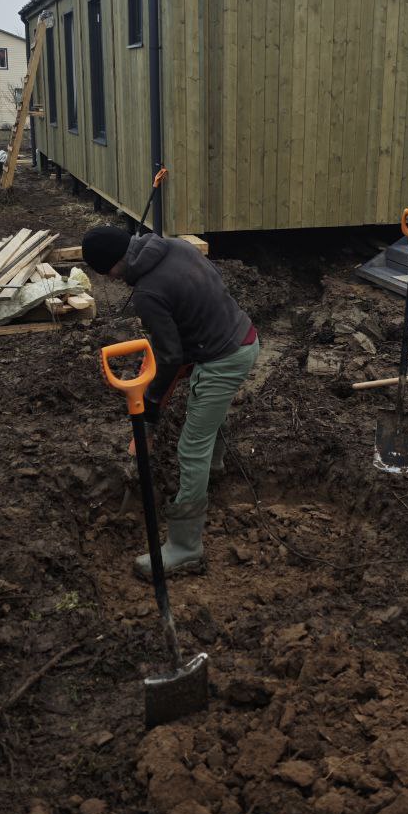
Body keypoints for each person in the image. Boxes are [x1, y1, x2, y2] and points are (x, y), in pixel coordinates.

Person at [82, 226, 259, 577]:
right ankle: (216, 473)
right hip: (242, 336)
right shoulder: (176, 246)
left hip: (223, 357)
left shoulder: (148, 292)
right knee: (209, 414)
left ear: (111, 268)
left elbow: (170, 356)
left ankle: (185, 546)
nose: (114, 281)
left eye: (107, 275)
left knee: (191, 447)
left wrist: (149, 407)